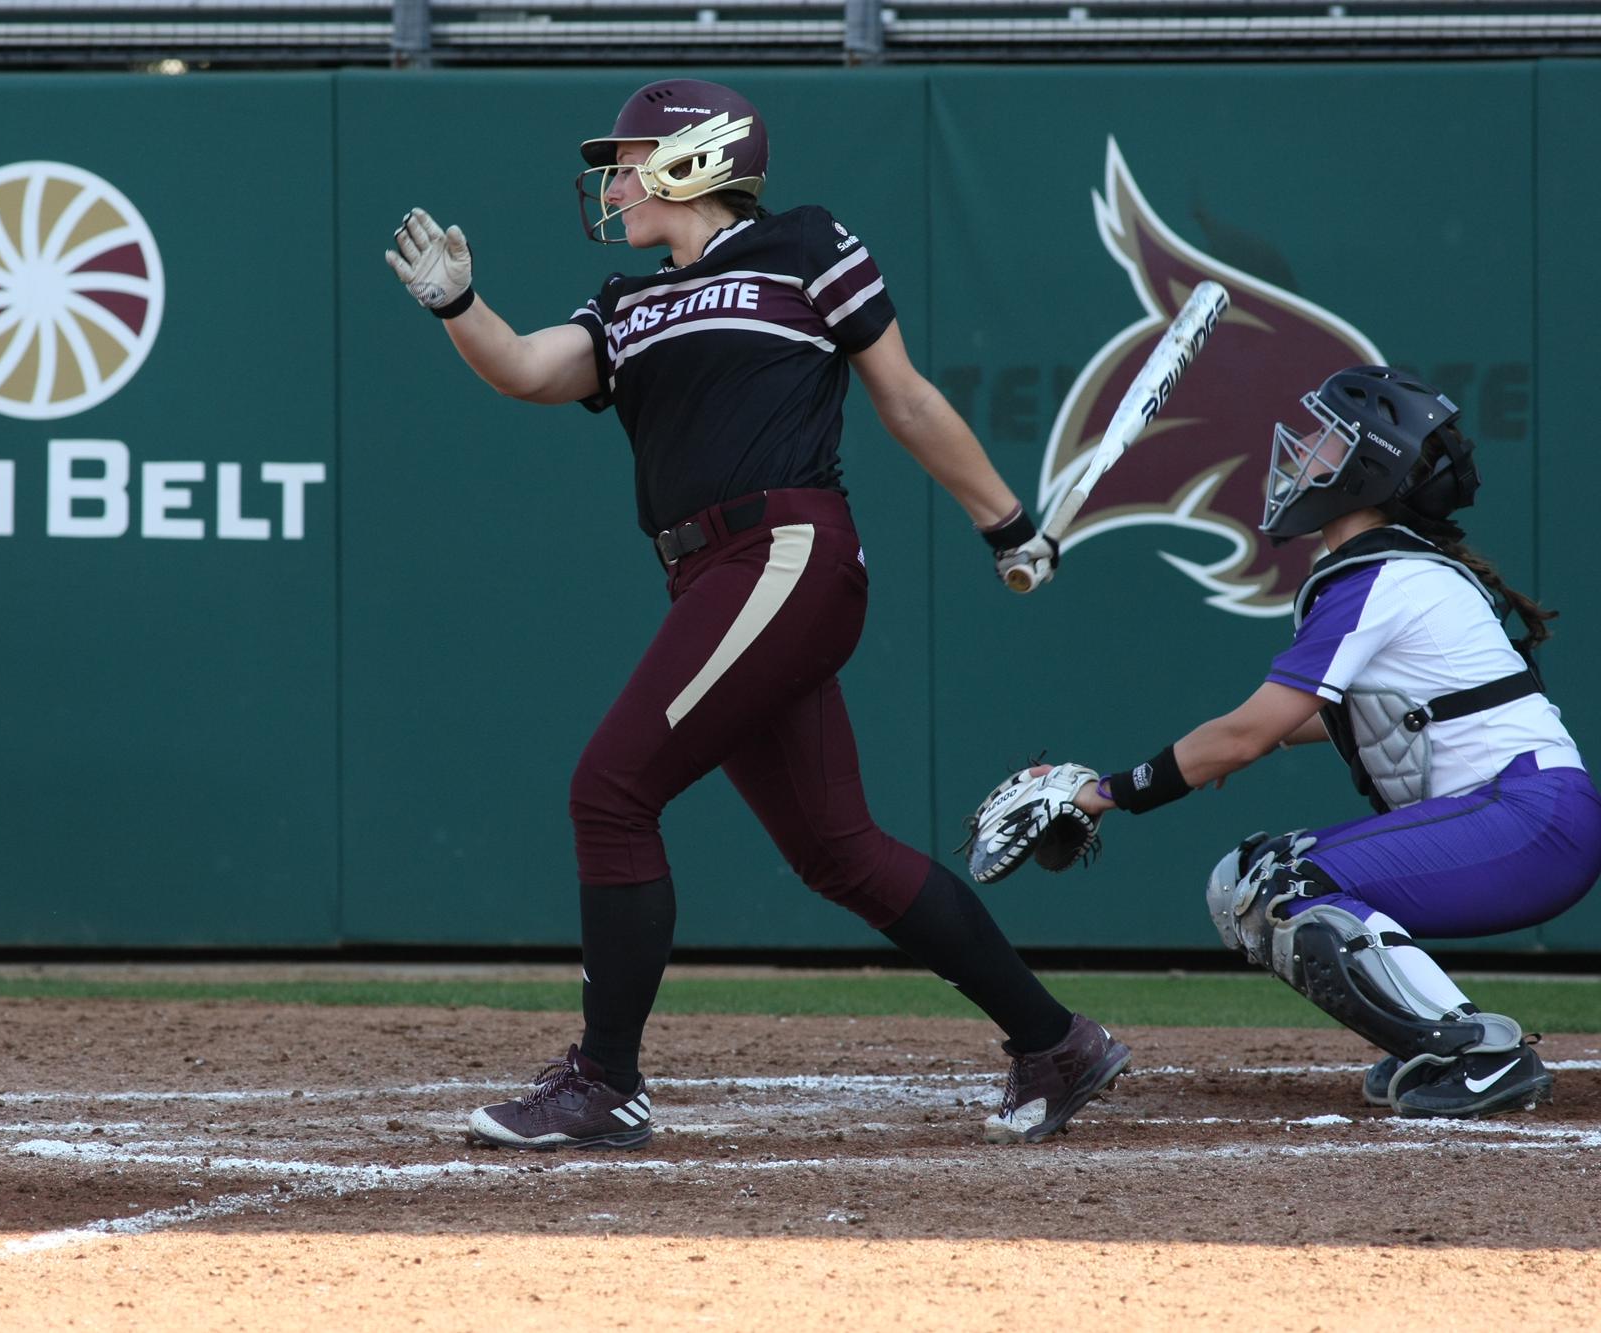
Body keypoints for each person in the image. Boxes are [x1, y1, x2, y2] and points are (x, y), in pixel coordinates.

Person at [384, 77, 1128, 1150]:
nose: (614, 178)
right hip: (708, 575)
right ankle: (1054, 1042)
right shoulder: (626, 300)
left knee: (609, 789)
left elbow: (904, 395)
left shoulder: (803, 244)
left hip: (784, 552)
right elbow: (521, 369)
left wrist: (1004, 521)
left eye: (631, 157)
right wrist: (459, 305)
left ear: (695, 158)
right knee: (838, 850)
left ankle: (606, 1081)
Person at [1023, 365, 1600, 1118]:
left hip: (1530, 818)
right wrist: (1241, 748)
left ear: (1371, 466)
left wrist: (1103, 793)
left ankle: (1479, 1052)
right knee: (1249, 874)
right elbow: (1335, 721)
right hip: (1525, 818)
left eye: (1327, 442)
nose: (1304, 454)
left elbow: (1246, 729)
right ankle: (1435, 1039)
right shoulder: (1392, 569)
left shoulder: (1378, 576)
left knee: (1281, 883)